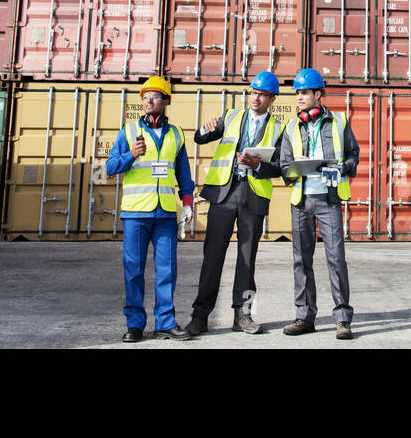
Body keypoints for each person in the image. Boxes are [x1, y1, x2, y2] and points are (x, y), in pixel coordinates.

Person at [184, 71, 286, 336]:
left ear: (272, 99)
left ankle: (243, 315)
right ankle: (200, 316)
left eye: (262, 94)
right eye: (253, 92)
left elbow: (280, 169)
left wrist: (258, 165)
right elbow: (200, 138)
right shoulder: (231, 117)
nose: (256, 98)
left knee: (246, 260)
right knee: (212, 256)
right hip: (224, 194)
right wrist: (203, 128)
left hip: (252, 196)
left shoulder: (279, 129)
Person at [105, 76, 195, 342]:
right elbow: (110, 168)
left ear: (166, 101)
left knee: (167, 270)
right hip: (135, 214)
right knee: (133, 270)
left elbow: (185, 175)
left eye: (154, 96)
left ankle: (165, 323)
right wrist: (130, 155)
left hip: (165, 213)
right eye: (145, 96)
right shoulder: (129, 132)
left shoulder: (177, 135)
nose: (148, 100)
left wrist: (188, 204)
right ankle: (135, 325)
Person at [277, 67, 359, 340]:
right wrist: (294, 169)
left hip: (328, 199)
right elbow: (284, 165)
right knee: (301, 260)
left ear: (318, 95)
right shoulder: (290, 127)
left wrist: (343, 169)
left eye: (304, 93)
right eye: (297, 93)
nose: (299, 97)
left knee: (336, 259)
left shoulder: (339, 122)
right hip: (301, 201)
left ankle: (343, 319)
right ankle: (304, 316)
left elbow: (353, 156)